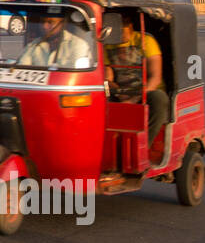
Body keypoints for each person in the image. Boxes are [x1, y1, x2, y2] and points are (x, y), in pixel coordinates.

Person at [106, 16, 168, 151]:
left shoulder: (146, 41)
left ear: (131, 26)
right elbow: (107, 78)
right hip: (121, 93)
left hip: (147, 91)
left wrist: (135, 98)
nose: (119, 33)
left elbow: (155, 77)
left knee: (159, 99)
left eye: (122, 29)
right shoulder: (107, 44)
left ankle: (143, 147)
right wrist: (120, 94)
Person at [17, 8, 92, 68]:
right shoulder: (33, 46)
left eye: (50, 22)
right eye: (43, 22)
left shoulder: (78, 45)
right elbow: (22, 67)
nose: (44, 26)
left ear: (62, 24)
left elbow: (78, 75)